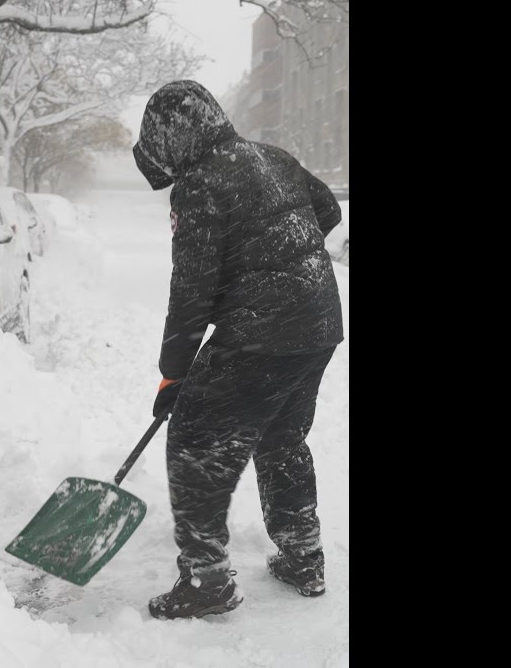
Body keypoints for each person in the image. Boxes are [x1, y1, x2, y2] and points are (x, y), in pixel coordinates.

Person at [132, 80, 344, 619]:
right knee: (281, 435)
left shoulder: (200, 183)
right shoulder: (269, 156)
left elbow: (192, 290)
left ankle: (206, 581)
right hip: (317, 324)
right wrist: (271, 256)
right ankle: (302, 555)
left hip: (263, 334)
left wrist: (173, 373)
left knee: (195, 443)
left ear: (172, 135)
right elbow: (328, 212)